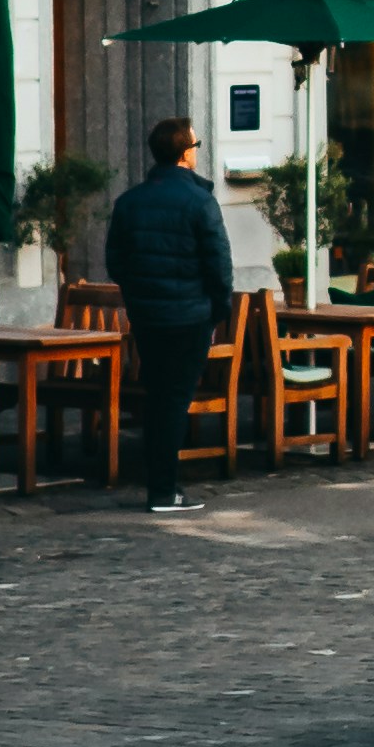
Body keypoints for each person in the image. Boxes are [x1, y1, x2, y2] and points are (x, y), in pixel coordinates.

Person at [104, 112, 236, 514]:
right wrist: (217, 311)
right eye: (195, 145)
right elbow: (219, 265)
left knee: (158, 397)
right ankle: (164, 490)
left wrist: (139, 298)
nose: (197, 151)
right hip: (190, 316)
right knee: (174, 401)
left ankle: (161, 486)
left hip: (148, 316)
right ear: (184, 153)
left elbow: (116, 262)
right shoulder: (200, 201)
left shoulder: (129, 202)